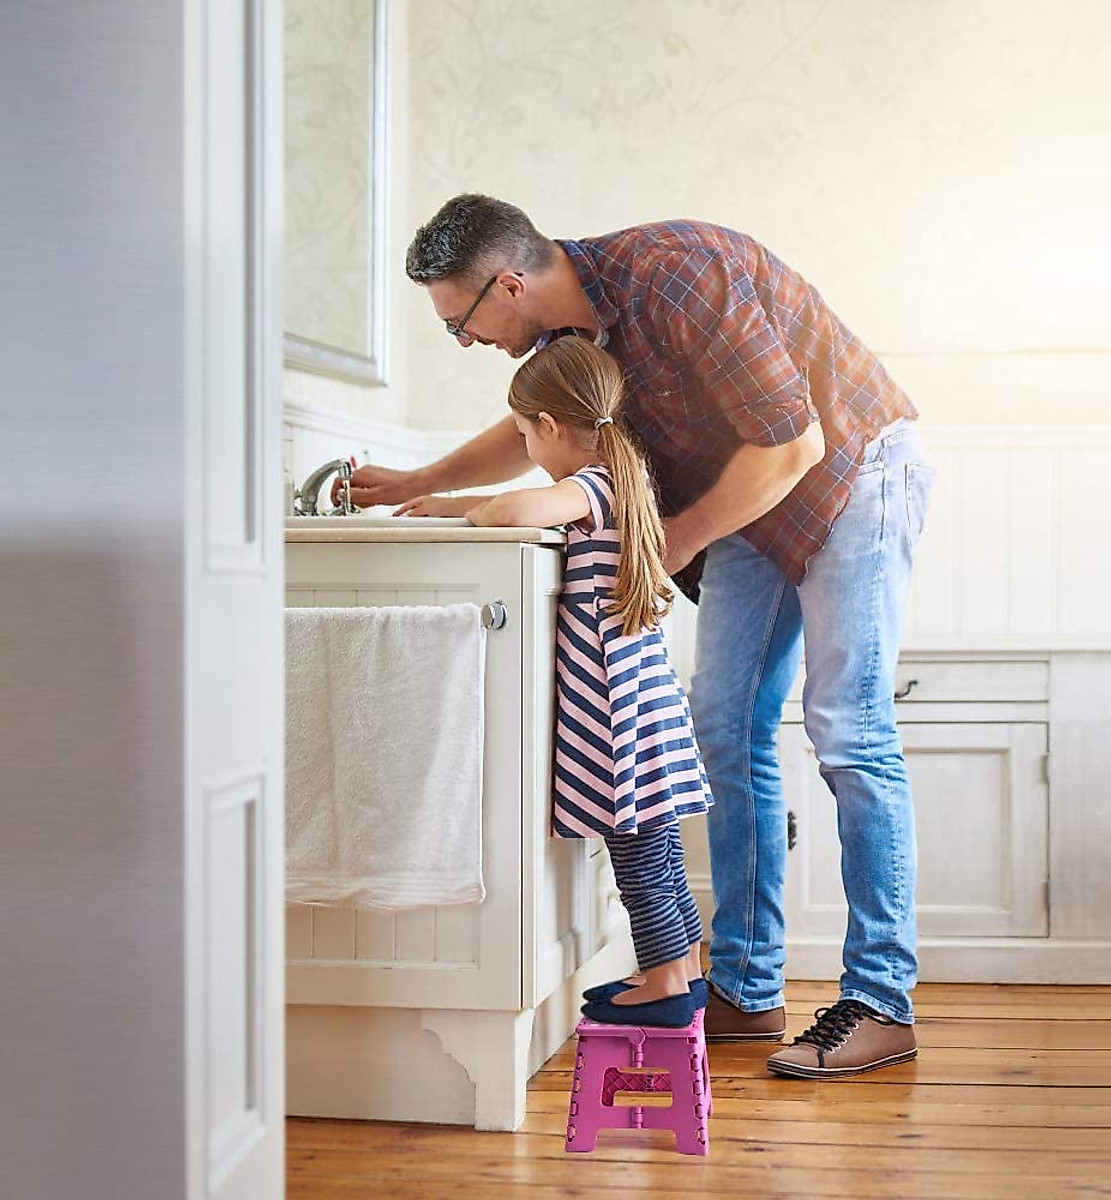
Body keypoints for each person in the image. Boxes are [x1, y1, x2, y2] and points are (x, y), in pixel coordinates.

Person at [338, 195, 934, 1077]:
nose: (464, 341)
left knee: (847, 731)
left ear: (507, 283)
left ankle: (881, 1001)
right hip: (752, 498)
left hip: (851, 469)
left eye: (461, 321)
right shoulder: (566, 342)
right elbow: (536, 427)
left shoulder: (678, 274)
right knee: (722, 732)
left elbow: (794, 445)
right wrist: (416, 482)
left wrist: (663, 548)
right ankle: (745, 987)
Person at [409, 335, 713, 1028]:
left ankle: (664, 981)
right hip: (638, 687)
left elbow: (516, 512)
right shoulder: (621, 476)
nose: (526, 447)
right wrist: (452, 503)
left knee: (634, 846)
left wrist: (473, 509)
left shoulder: (589, 486)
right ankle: (684, 968)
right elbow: (525, 500)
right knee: (657, 841)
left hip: (609, 695)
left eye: (523, 434)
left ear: (550, 427)